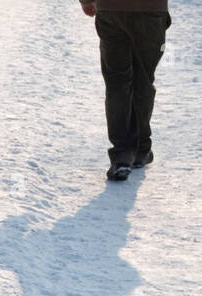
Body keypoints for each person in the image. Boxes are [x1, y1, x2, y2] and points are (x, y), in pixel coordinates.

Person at [80, 1, 172, 182]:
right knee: (143, 80)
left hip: (110, 10)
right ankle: (141, 150)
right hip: (151, 11)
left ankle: (122, 156)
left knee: (117, 83)